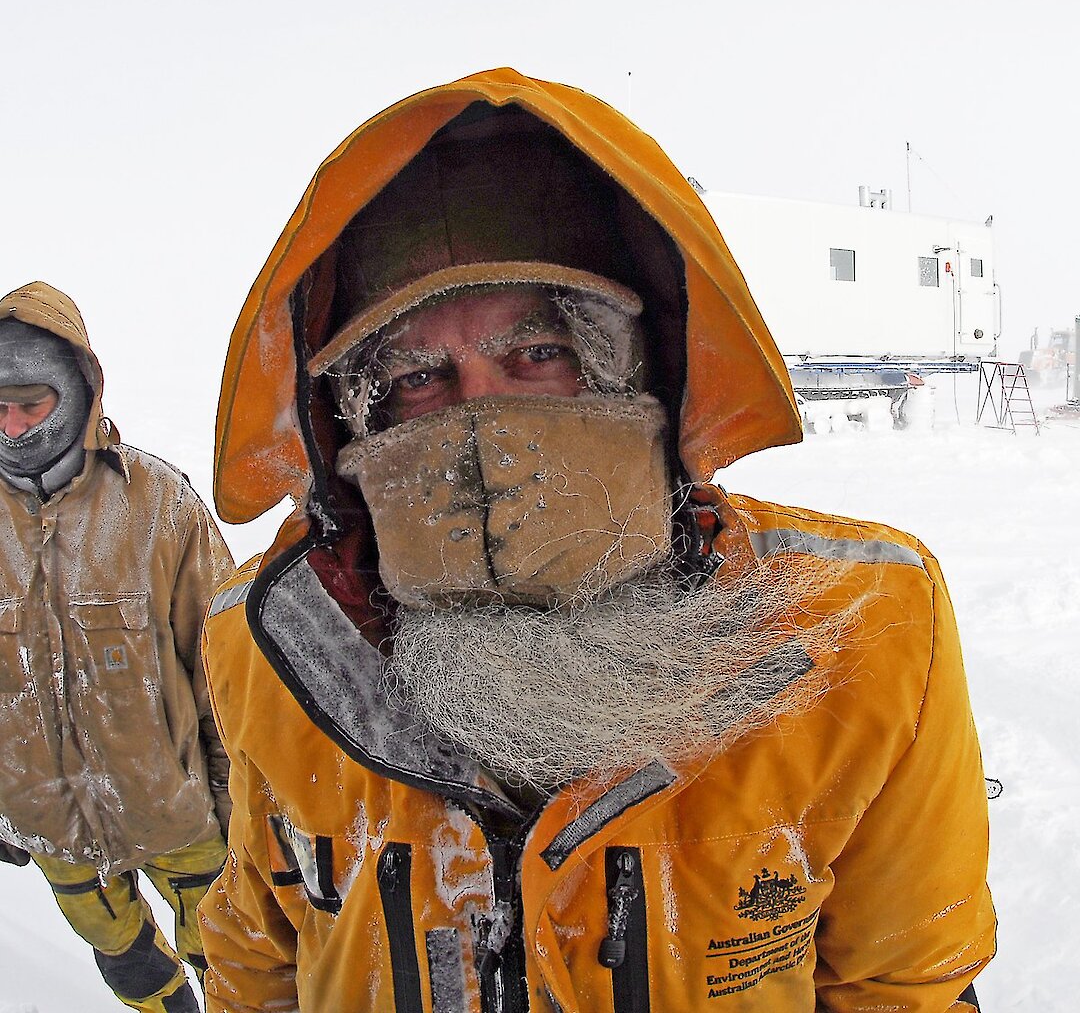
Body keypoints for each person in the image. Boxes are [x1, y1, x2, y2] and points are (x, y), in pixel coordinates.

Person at [199, 69, 996, 1011]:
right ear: (348, 429)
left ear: (645, 370)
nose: (479, 426)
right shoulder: (274, 643)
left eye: (541, 356)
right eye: (415, 379)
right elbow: (261, 959)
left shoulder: (864, 631)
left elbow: (904, 983)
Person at [0, 281, 235, 1013]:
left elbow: (228, 675)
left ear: (78, 388)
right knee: (127, 961)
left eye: (30, 402)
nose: (11, 427)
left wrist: (246, 806)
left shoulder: (161, 505)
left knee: (232, 956)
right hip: (48, 824)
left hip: (180, 815)